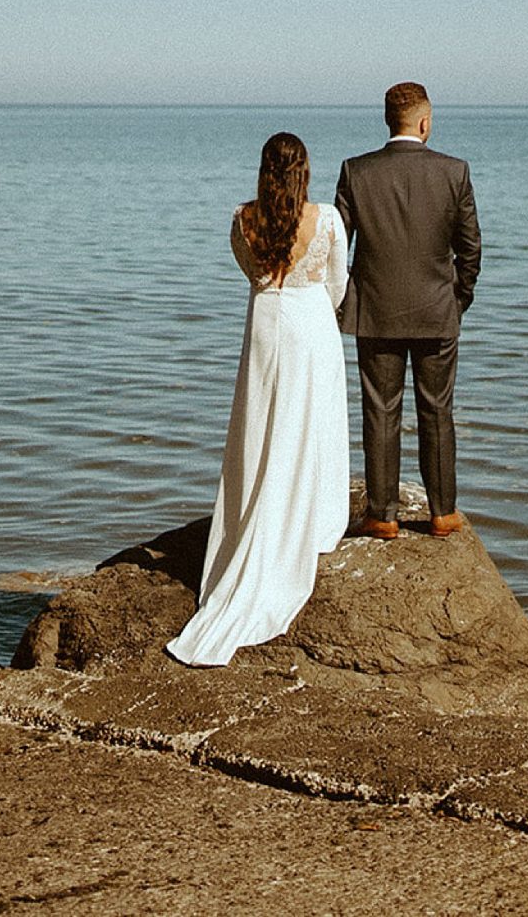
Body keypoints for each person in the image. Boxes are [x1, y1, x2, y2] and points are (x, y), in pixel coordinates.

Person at [166, 133, 351, 665]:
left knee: (261, 425)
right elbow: (337, 285)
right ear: (305, 171)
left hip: (265, 323)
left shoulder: (242, 220)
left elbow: (249, 272)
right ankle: (312, 518)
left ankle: (254, 514)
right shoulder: (329, 221)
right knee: (310, 422)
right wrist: (312, 301)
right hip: (311, 324)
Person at [335, 82, 481, 540]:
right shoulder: (453, 172)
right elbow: (471, 250)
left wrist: (348, 303)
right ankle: (442, 512)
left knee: (381, 411)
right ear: (424, 122)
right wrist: (455, 300)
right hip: (437, 312)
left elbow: (336, 247)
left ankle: (383, 514)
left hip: (375, 313)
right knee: (438, 410)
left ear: (387, 120)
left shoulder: (356, 172)